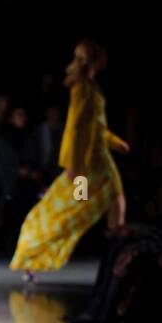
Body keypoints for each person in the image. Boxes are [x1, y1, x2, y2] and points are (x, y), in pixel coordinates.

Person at [9, 39, 130, 281]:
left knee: (115, 198)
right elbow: (75, 129)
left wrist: (115, 142)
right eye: (102, 53)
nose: (107, 57)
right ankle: (31, 254)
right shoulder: (83, 88)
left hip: (100, 160)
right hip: (86, 165)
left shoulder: (92, 87)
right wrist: (75, 166)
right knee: (72, 209)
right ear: (94, 58)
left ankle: (118, 258)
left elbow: (96, 126)